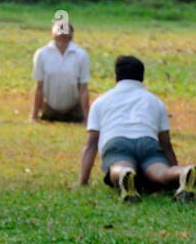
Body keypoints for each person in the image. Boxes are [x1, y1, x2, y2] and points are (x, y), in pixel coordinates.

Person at [79, 55, 195, 203]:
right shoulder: (155, 101)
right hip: (147, 142)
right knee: (161, 172)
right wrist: (174, 171)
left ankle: (124, 175)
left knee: (120, 166)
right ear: (142, 76)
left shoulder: (101, 101)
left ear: (117, 76)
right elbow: (166, 144)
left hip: (117, 142)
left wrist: (83, 181)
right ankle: (183, 173)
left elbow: (91, 144)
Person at [30, 14, 90, 123]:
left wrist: (87, 119)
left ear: (71, 34)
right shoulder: (41, 54)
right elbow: (39, 87)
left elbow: (83, 89)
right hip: (50, 108)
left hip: (74, 110)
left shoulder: (81, 55)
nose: (62, 31)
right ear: (52, 33)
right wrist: (33, 116)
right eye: (59, 27)